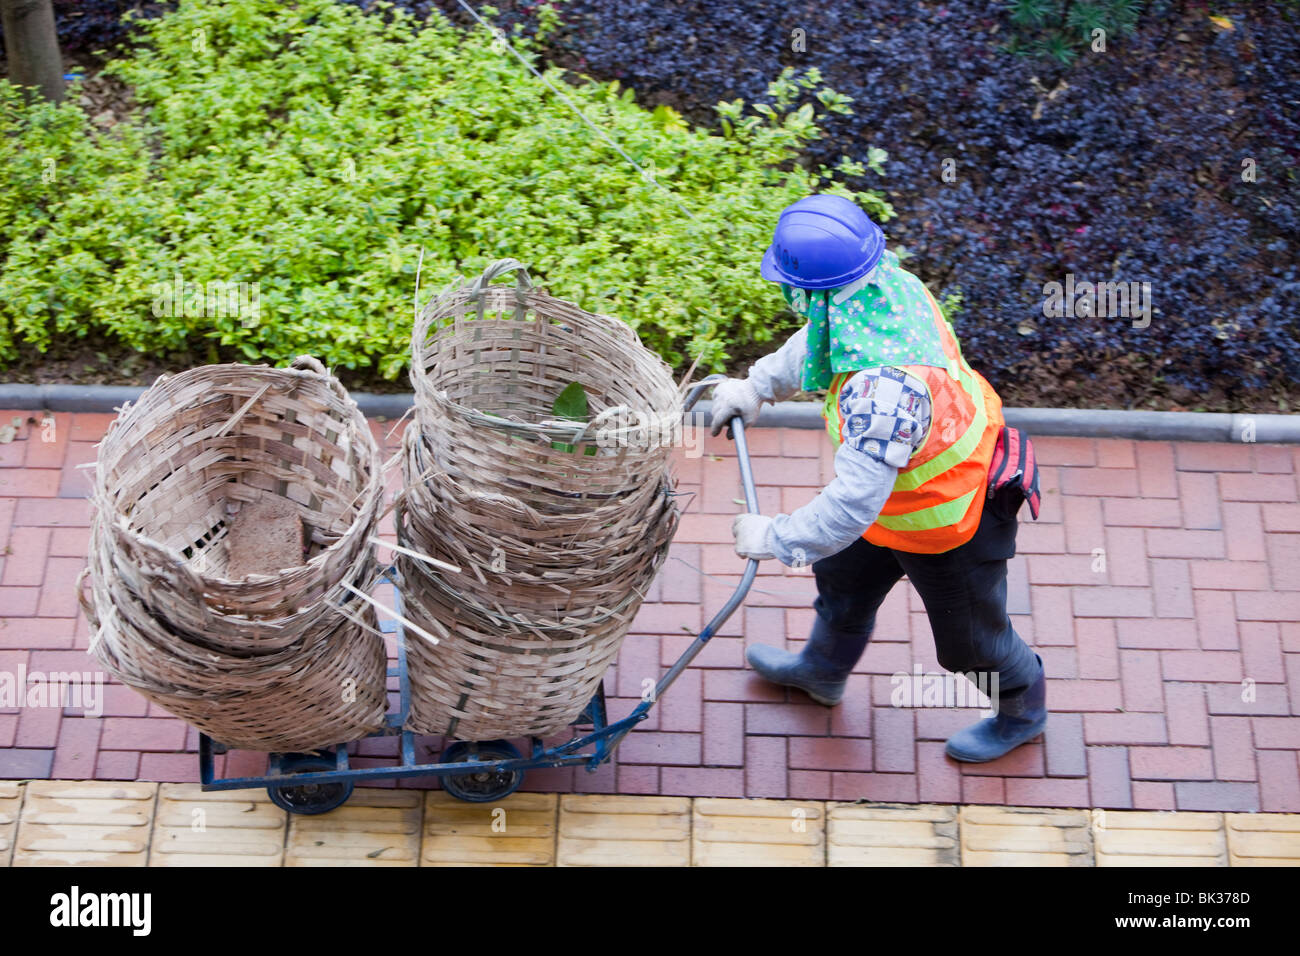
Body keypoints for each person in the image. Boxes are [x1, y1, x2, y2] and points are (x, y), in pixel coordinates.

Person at [711, 193, 1045, 763]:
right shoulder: (881, 289)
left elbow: (849, 506)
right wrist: (757, 385)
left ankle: (1022, 711)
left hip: (951, 518)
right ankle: (821, 672)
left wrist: (777, 539)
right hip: (896, 506)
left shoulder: (882, 393)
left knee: (971, 643)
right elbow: (818, 341)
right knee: (842, 579)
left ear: (812, 290)